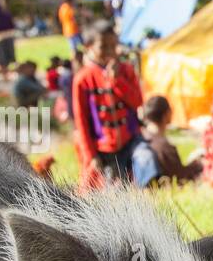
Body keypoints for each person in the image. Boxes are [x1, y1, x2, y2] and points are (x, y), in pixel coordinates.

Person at [71, 20, 144, 189]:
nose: (111, 52)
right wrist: (91, 155)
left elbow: (137, 101)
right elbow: (81, 121)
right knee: (113, 189)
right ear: (89, 46)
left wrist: (117, 80)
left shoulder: (125, 70)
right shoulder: (82, 79)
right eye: (104, 47)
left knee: (146, 162)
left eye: (114, 46)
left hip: (130, 140)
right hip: (104, 149)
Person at [141, 95, 202, 183]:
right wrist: (198, 162)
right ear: (166, 114)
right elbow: (181, 175)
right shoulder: (163, 146)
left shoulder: (142, 138)